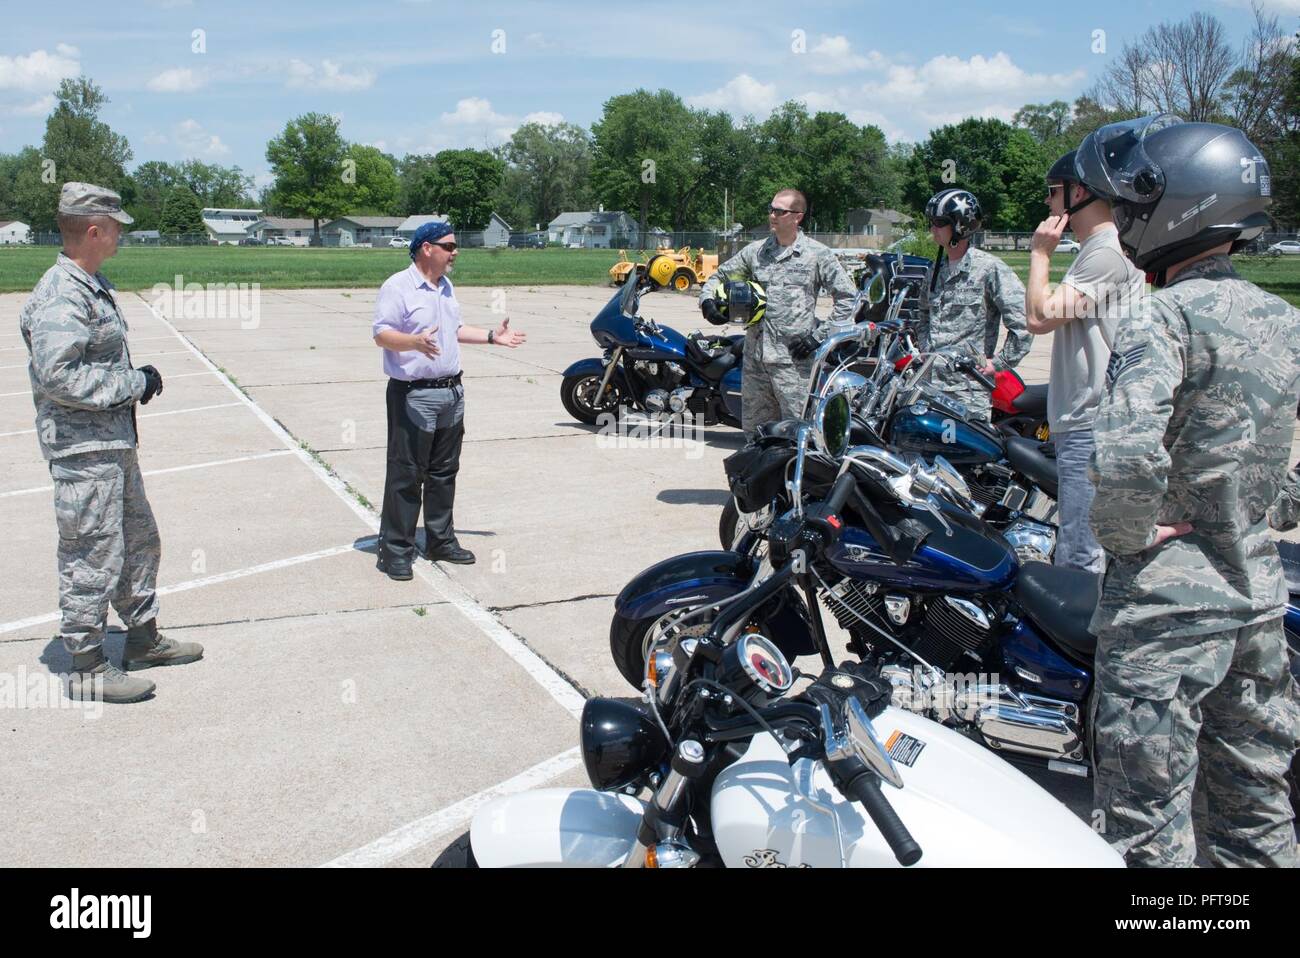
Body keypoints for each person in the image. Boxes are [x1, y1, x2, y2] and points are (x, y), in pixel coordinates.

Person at [1083, 115, 1300, 867]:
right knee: (1257, 808)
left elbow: (1124, 450)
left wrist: (1126, 532)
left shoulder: (1161, 315)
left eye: (1133, 207)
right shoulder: (1284, 320)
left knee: (1145, 828)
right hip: (1260, 600)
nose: (1125, 223)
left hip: (1165, 618)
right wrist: (1262, 503)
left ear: (1175, 205)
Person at [19, 182, 202, 705]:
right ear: (94, 230)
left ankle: (143, 640)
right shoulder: (62, 292)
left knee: (137, 543)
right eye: (116, 226)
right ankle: (86, 665)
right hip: (83, 455)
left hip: (112, 447)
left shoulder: (91, 284)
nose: (121, 233)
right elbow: (60, 377)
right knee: (91, 555)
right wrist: (133, 383)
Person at [372, 221, 526, 580]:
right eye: (450, 246)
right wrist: (413, 343)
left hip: (451, 392)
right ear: (427, 248)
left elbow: (453, 332)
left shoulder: (444, 287)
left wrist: (492, 336)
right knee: (406, 474)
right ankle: (395, 550)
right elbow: (381, 334)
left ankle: (440, 540)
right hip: (413, 395)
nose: (456, 252)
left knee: (444, 472)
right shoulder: (398, 286)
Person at [1025, 152, 1145, 573]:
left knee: (1081, 559)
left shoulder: (1107, 251)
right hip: (1083, 421)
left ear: (1078, 191)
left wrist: (1040, 254)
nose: (1047, 202)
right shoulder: (1098, 249)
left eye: (1053, 192)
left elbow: (1039, 317)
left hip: (1091, 424)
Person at [698, 189, 857, 431]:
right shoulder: (756, 252)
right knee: (755, 433)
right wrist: (707, 302)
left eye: (780, 211)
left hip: (794, 365)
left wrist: (818, 337)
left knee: (797, 433)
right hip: (755, 362)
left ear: (797, 217)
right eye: (771, 209)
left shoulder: (817, 255)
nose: (772, 215)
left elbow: (848, 299)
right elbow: (719, 277)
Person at [917, 189, 1032, 421]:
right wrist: (925, 349)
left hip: (968, 391)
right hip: (930, 387)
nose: (933, 229)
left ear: (961, 226)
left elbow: (1024, 320)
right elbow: (924, 313)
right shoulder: (935, 270)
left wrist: (999, 364)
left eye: (939, 222)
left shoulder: (989, 269)